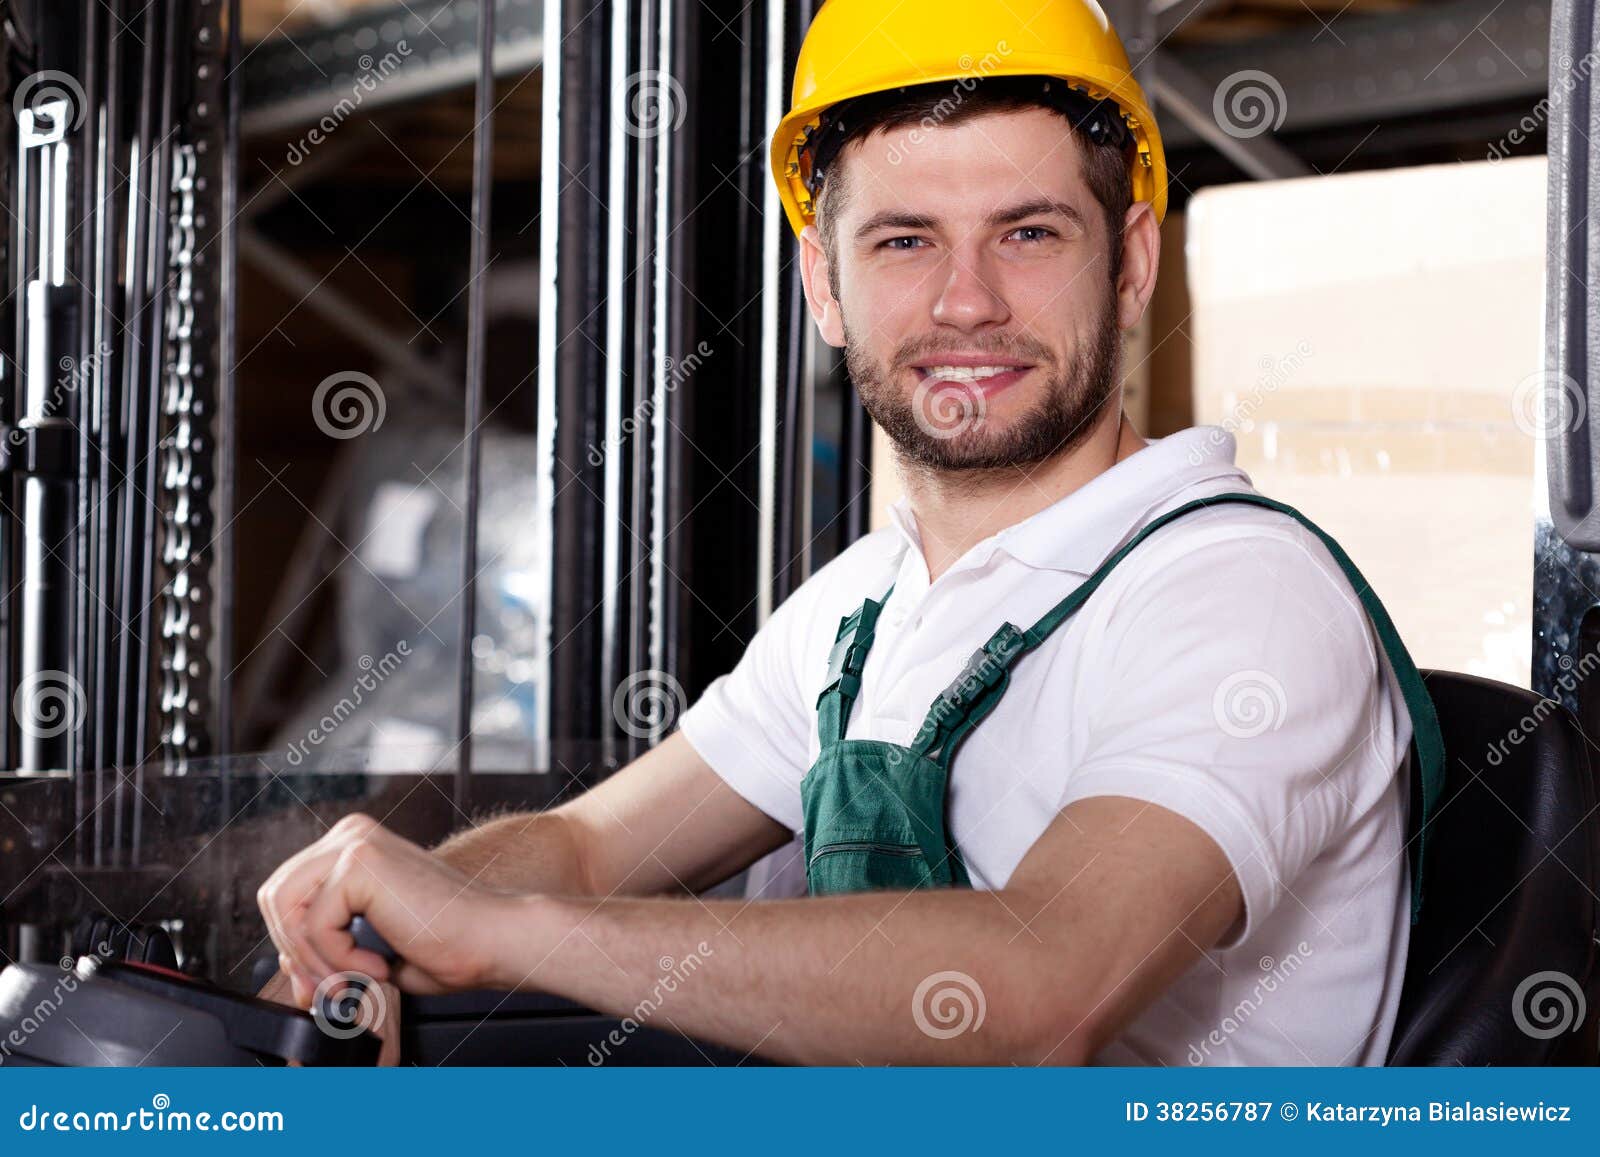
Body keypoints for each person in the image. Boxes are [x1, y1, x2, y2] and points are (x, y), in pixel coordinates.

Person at [258, 0, 1437, 1066]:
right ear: (824, 284)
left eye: (1028, 234)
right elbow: (580, 850)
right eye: (904, 240)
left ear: (1127, 263)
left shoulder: (1236, 590)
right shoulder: (870, 605)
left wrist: (503, 930)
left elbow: (1041, 986)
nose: (965, 300)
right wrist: (374, 921)